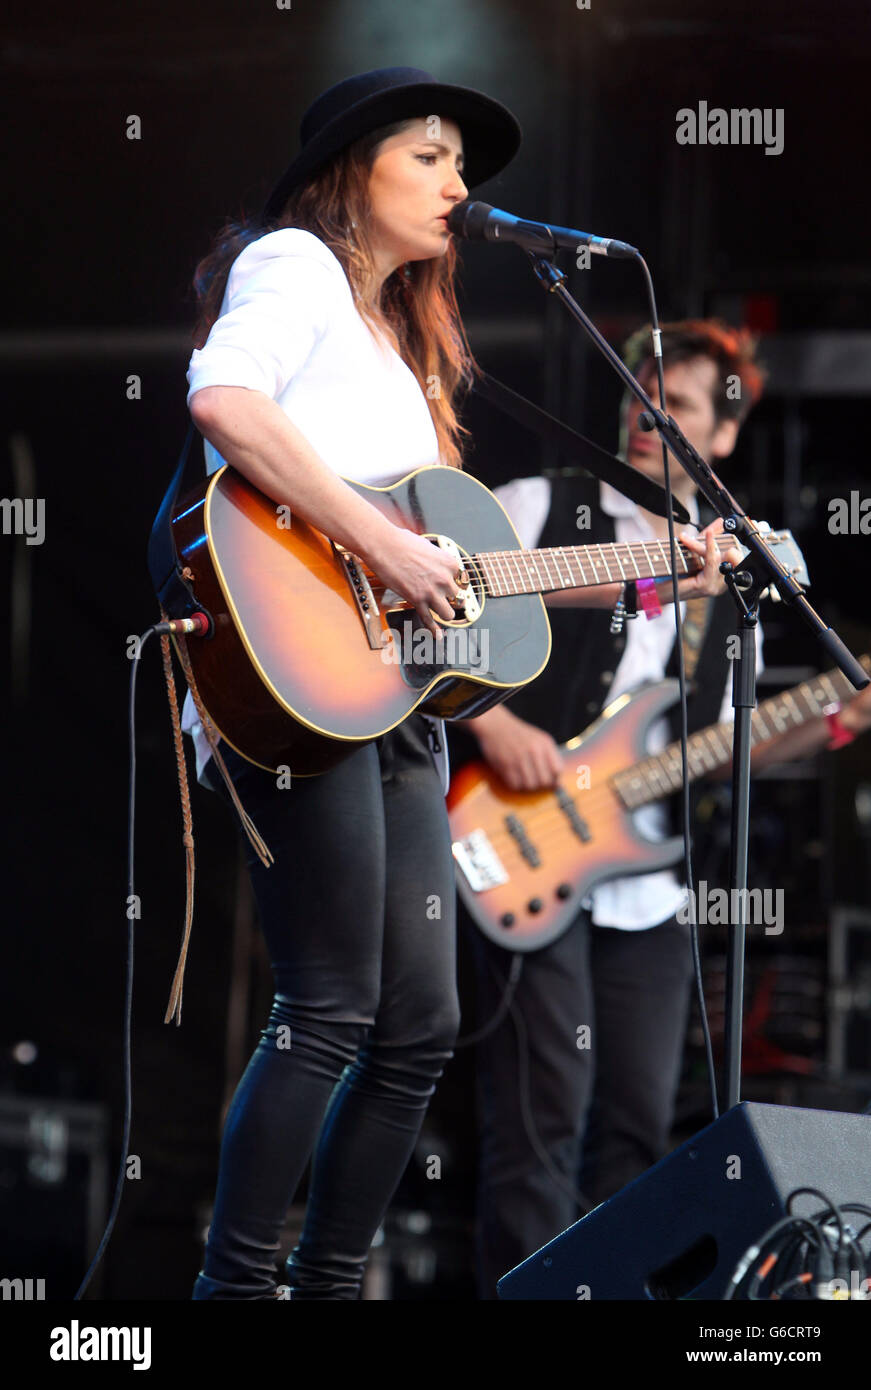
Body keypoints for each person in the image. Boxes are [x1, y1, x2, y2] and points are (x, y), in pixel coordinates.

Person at [179, 68, 737, 1301]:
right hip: (301, 677)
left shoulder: (403, 345)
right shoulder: (296, 266)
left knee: (420, 1023)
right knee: (328, 1004)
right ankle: (233, 1287)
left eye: (460, 165)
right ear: (348, 170)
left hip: (396, 699)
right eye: (429, 157)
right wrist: (380, 545)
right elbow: (222, 399)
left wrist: (664, 573)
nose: (458, 184)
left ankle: (326, 1285)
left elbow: (483, 574)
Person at [451, 319, 871, 1299]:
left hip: (647, 879)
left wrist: (840, 721)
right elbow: (435, 626)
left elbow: (725, 752)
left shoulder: (741, 575)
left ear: (722, 436)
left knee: (640, 1122)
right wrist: (490, 720)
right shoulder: (537, 505)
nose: (650, 418)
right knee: (539, 1118)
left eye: (676, 407)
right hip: (521, 837)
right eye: (642, 395)